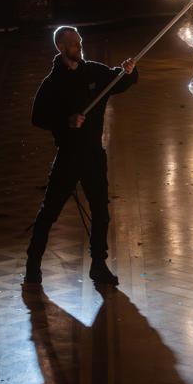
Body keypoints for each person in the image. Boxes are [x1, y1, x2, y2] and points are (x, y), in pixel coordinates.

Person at [25, 26, 137, 285]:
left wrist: (129, 72)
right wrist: (66, 121)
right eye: (74, 44)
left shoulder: (94, 71)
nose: (80, 47)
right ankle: (33, 264)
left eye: (80, 42)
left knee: (101, 212)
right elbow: (37, 117)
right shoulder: (52, 83)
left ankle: (99, 264)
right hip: (69, 157)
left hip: (94, 156)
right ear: (61, 48)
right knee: (49, 213)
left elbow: (119, 81)